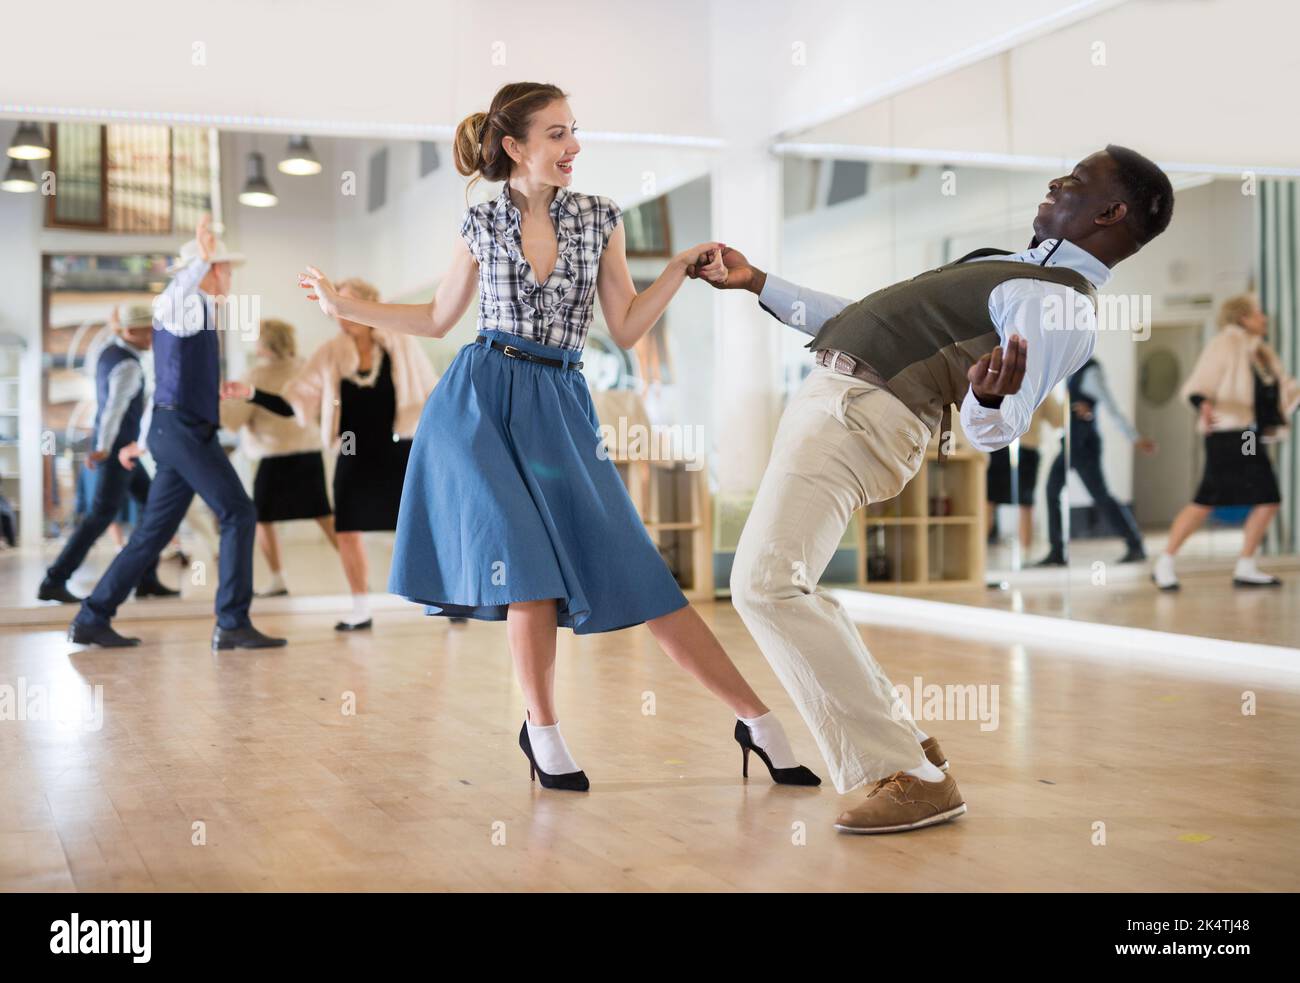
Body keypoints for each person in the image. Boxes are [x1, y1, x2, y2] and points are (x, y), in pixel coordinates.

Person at [297, 81, 818, 792]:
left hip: (562, 405)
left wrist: (674, 272)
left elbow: (628, 327)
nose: (574, 146)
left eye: (574, 131)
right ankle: (543, 731)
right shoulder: (479, 222)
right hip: (479, 405)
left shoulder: (602, 218)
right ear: (515, 147)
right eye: (556, 134)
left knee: (639, 569)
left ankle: (756, 720)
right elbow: (438, 317)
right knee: (525, 573)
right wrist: (342, 303)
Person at [693, 146, 1174, 833]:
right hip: (843, 397)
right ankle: (907, 750)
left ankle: (911, 776)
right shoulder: (1004, 269)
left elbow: (997, 425)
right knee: (776, 582)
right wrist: (760, 283)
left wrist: (983, 395)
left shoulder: (1059, 304)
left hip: (863, 413)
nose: (1053, 182)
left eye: (1073, 181)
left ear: (1108, 212)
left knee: (766, 584)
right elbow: (867, 318)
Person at [67, 216, 286, 651]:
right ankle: (232, 622)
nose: (229, 277)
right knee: (239, 512)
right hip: (185, 430)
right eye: (224, 268)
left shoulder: (200, 314)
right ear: (209, 270)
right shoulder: (185, 306)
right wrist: (199, 262)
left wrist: (143, 441)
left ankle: (91, 617)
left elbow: (160, 386)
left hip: (174, 430)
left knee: (151, 534)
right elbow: (169, 302)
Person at [224, 280, 437, 629]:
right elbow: (295, 402)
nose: (340, 315)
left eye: (346, 305)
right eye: (334, 307)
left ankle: (442, 595)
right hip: (351, 450)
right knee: (347, 530)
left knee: (420, 525)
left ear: (371, 305)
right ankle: (360, 606)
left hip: (400, 446)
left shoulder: (402, 345)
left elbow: (431, 392)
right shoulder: (329, 353)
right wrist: (251, 392)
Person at [1153, 293, 1300, 589]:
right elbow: (1199, 385)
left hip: (1248, 434)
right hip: (1225, 433)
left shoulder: (1261, 353)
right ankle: (1164, 562)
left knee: (1268, 498)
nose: (1265, 318)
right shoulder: (1225, 343)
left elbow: (1280, 392)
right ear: (1242, 317)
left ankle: (1246, 566)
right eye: (1259, 313)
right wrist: (1204, 405)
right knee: (1207, 500)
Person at [39, 305, 179, 603]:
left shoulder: (106, 351)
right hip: (116, 449)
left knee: (154, 507)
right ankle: (54, 580)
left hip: (117, 448)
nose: (153, 335)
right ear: (131, 332)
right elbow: (113, 410)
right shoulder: (128, 365)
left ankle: (146, 578)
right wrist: (102, 448)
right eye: (147, 330)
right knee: (100, 517)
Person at [218, 318, 337, 598]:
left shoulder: (254, 376)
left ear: (265, 344)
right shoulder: (306, 367)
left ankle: (277, 579)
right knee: (325, 516)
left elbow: (234, 420)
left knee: (263, 518)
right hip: (308, 452)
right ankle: (359, 575)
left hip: (273, 457)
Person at [1036, 357, 1156, 566]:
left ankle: (1135, 544)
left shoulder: (1090, 371)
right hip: (1071, 442)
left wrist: (1134, 437)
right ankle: (1057, 552)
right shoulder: (1068, 368)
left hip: (1084, 444)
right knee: (1052, 490)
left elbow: (1110, 405)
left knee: (1100, 495)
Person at [986, 391, 1064, 551]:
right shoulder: (1039, 387)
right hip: (1023, 448)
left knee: (991, 500)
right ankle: (1024, 553)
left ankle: (979, 556)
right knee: (1024, 503)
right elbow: (1059, 420)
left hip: (1000, 445)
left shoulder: (999, 381)